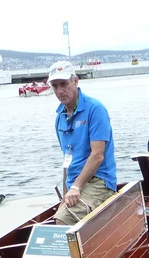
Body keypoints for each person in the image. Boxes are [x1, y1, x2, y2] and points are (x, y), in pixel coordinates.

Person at [46, 60, 117, 226]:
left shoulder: (95, 109)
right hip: (75, 184)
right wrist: (66, 194)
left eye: (63, 84)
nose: (59, 91)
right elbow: (67, 159)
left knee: (63, 220)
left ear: (75, 81)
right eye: (55, 86)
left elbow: (97, 155)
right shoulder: (60, 117)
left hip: (99, 182)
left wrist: (76, 188)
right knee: (53, 219)